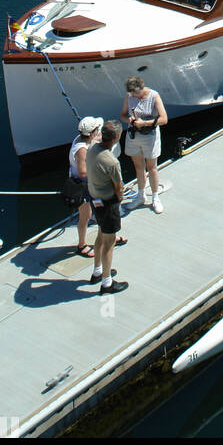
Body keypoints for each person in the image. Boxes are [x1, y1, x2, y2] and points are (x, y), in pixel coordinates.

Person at [85, 120, 128, 293]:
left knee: (100, 235)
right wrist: (120, 199)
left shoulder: (91, 149)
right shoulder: (112, 162)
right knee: (109, 243)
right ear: (117, 137)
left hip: (94, 199)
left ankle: (98, 271)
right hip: (108, 203)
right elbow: (118, 186)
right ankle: (107, 283)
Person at [122, 76, 168, 213]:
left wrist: (145, 123)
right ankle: (140, 195)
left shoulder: (154, 96)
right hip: (134, 135)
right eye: (132, 94)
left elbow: (164, 119)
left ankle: (155, 198)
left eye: (136, 93)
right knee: (138, 166)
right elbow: (123, 115)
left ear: (141, 88)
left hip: (150, 136)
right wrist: (129, 120)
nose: (134, 96)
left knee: (152, 167)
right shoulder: (129, 96)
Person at [68, 115, 102, 256]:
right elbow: (82, 172)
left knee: (101, 211)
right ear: (92, 132)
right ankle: (81, 245)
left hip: (90, 185)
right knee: (85, 216)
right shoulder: (81, 149)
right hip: (84, 187)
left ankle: (107, 235)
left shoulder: (80, 138)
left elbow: (92, 140)